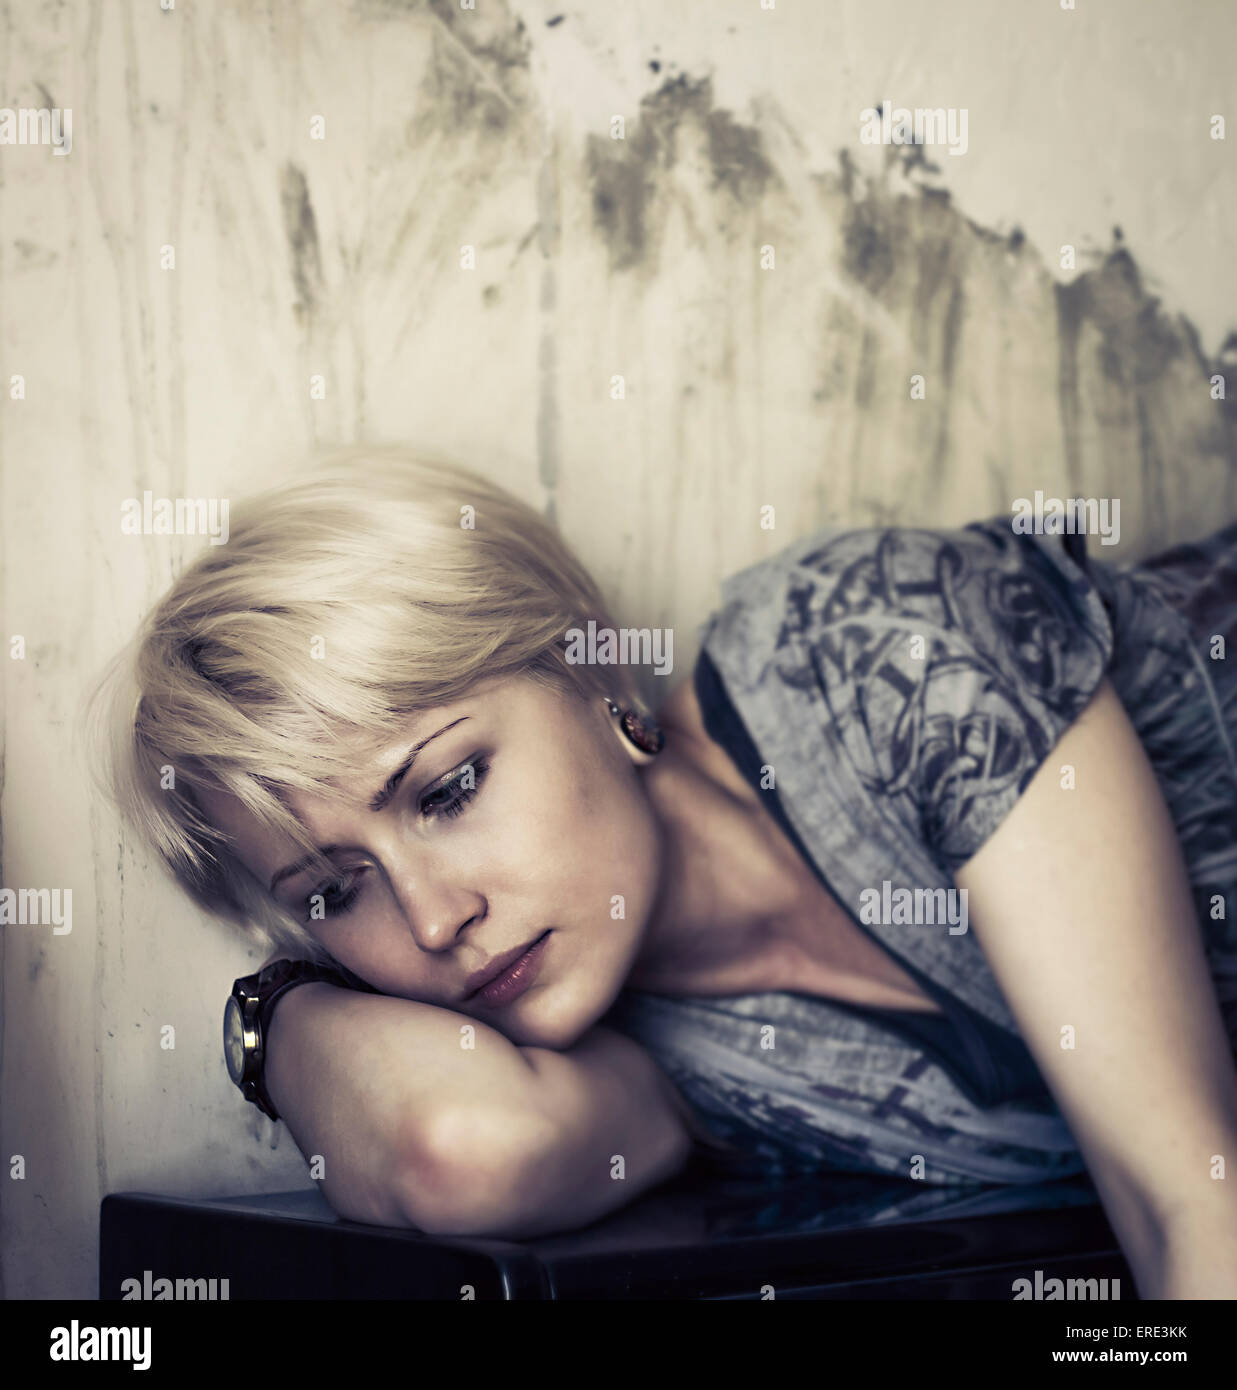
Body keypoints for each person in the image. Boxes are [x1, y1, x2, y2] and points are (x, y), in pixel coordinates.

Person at [91, 445, 1237, 1298]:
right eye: (334, 892)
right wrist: (275, 1012)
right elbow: (459, 1147)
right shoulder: (645, 1057)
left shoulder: (866, 654)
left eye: (447, 789)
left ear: (596, 676)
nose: (437, 920)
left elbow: (1192, 1202)